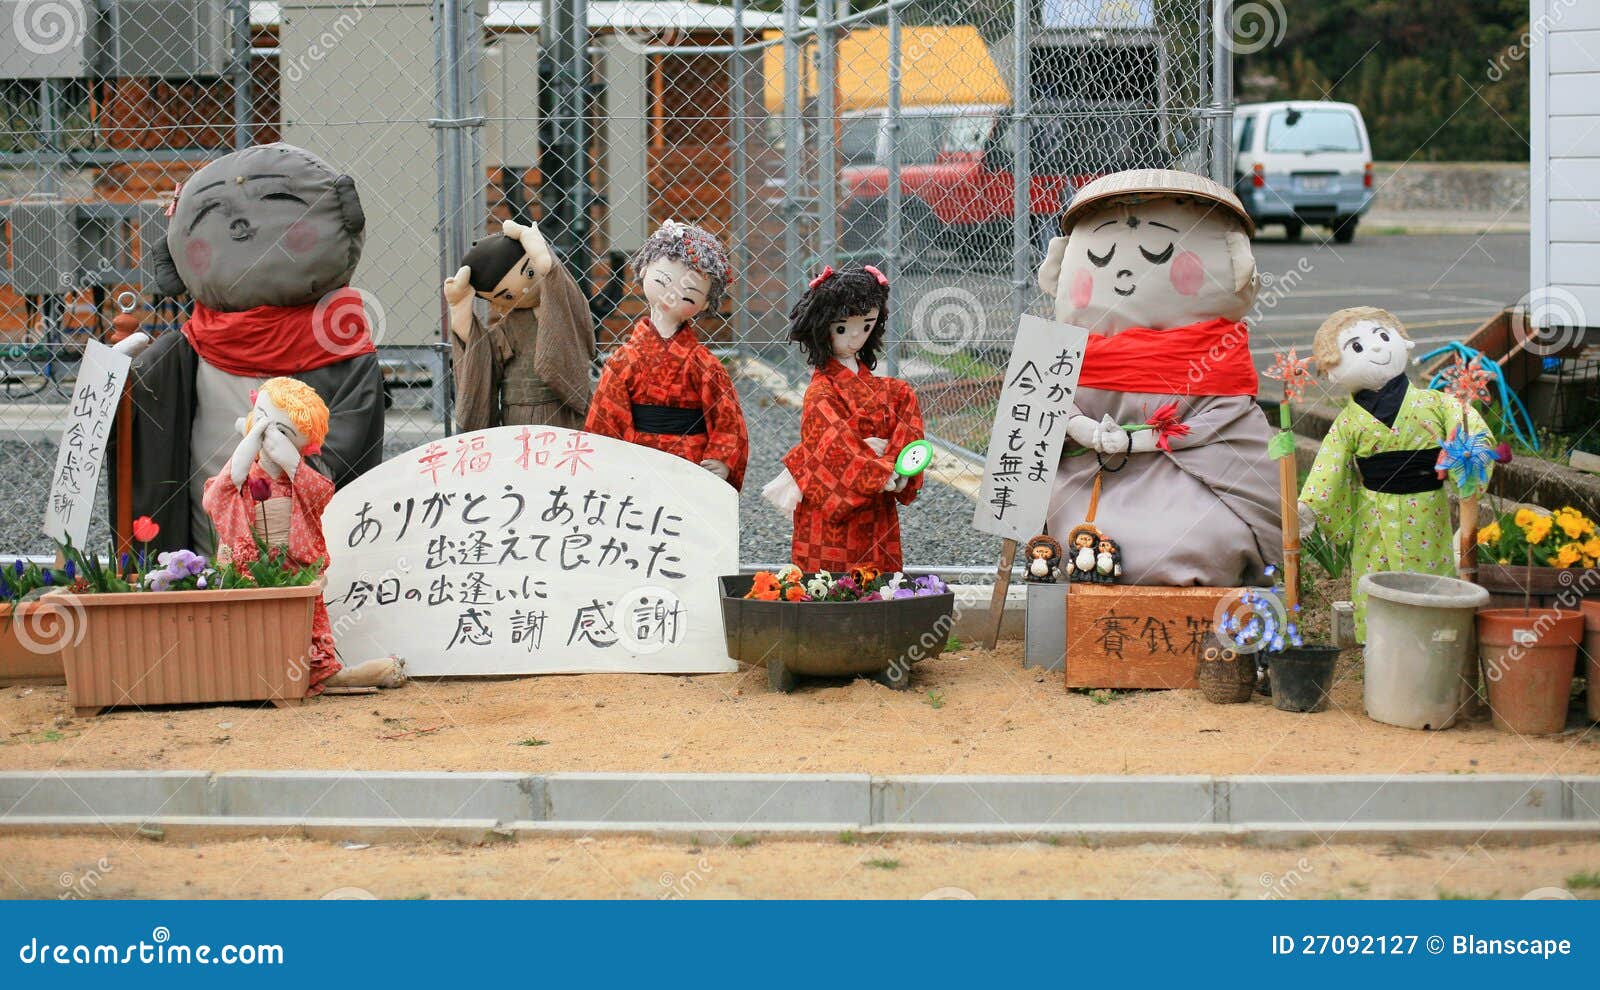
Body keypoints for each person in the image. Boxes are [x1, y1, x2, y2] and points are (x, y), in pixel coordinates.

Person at [1036, 168, 1283, 586]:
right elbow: (1046, 415)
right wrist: (1083, 429)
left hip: (1194, 482)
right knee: (1079, 529)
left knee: (1210, 535)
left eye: (1158, 254)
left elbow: (1221, 423)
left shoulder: (1218, 356)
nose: (1124, 275)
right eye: (1099, 257)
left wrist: (1135, 439)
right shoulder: (1066, 357)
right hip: (1096, 480)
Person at [1297, 307, 1495, 641]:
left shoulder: (1437, 403)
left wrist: (1467, 455)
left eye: (1383, 338)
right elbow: (1329, 466)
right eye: (1356, 347)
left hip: (1426, 507)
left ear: (1403, 343)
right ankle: (1382, 644)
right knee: (1377, 578)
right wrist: (1310, 506)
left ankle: (1437, 639)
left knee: (1431, 576)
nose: (1375, 349)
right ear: (1333, 371)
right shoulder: (1348, 422)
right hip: (1373, 511)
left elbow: (1472, 431)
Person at [202, 377, 407, 696]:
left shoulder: (302, 481)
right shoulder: (243, 479)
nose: (270, 438)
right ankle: (245, 675)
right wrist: (250, 441)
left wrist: (292, 462)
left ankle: (321, 674)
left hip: (293, 570)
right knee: (244, 625)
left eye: (282, 433)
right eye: (264, 425)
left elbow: (321, 495)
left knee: (305, 625)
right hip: (248, 570)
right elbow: (216, 498)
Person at [768, 265, 924, 572]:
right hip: (843, 498)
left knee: (877, 576)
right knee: (833, 574)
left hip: (879, 492)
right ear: (822, 328)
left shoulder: (893, 392)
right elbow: (831, 446)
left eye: (866, 325)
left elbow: (907, 424)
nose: (855, 336)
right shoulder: (821, 392)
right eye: (842, 328)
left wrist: (901, 466)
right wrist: (879, 473)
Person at [584, 220, 748, 489]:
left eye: (690, 291)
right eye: (664, 279)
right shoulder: (623, 359)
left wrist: (722, 457)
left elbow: (727, 419)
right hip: (636, 461)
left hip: (691, 465)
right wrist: (610, 462)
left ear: (706, 301)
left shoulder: (704, 364)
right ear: (645, 270)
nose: (674, 291)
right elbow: (606, 418)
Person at [444, 218, 595, 431]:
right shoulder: (509, 327)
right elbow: (483, 353)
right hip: (518, 416)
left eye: (530, 272)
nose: (523, 290)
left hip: (566, 413)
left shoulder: (563, 301)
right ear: (498, 304)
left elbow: (571, 310)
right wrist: (460, 312)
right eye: (506, 295)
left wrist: (544, 260)